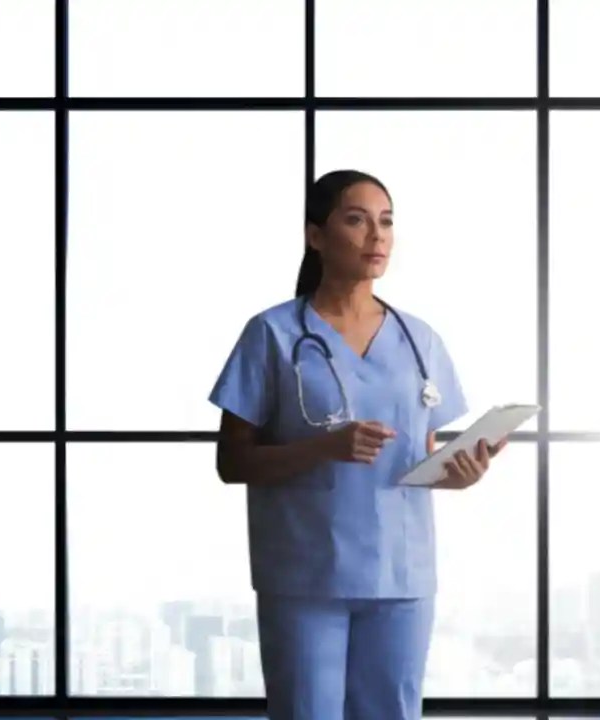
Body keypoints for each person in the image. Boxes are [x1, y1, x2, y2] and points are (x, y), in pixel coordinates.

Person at [207, 169, 508, 719]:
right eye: (357, 219)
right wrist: (324, 447)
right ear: (315, 235)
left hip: (401, 574)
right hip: (306, 575)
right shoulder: (271, 334)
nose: (378, 236)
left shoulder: (419, 339)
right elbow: (231, 461)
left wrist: (458, 473)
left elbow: (421, 452)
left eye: (386, 222)